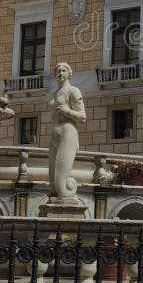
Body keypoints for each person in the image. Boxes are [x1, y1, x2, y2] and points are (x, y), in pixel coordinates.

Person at [48, 62, 85, 200]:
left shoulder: (73, 91)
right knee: (53, 185)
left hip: (68, 134)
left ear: (69, 73)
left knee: (62, 187)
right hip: (54, 137)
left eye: (64, 70)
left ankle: (67, 208)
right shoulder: (55, 93)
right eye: (58, 71)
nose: (61, 73)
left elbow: (83, 117)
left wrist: (67, 111)